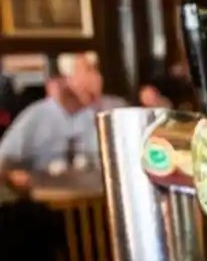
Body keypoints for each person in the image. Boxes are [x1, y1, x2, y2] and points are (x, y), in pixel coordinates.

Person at [0, 52, 124, 190]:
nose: (96, 79)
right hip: (50, 200)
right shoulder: (37, 115)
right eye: (88, 70)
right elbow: (4, 162)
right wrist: (14, 177)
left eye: (97, 71)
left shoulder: (115, 110)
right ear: (65, 78)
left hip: (102, 198)